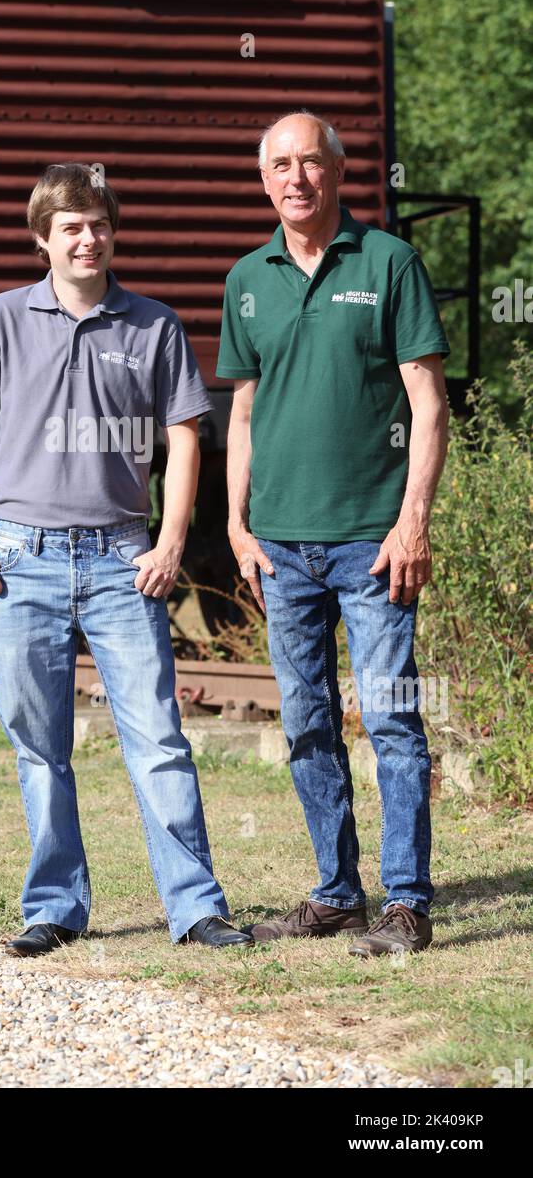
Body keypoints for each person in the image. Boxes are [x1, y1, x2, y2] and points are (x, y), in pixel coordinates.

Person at [0, 162, 253, 956]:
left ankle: (195, 909)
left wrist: (173, 540)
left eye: (99, 225)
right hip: (19, 558)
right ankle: (53, 907)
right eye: (71, 227)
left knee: (156, 739)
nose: (88, 238)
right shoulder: (0, 320)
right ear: (42, 239)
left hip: (122, 558)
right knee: (38, 745)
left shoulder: (152, 325)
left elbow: (186, 435)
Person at [217, 110, 450, 956]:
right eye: (279, 164)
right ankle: (336, 894)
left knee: (391, 720)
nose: (295, 178)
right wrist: (236, 527)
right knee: (307, 725)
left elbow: (428, 404)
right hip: (281, 552)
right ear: (264, 179)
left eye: (309, 162)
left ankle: (406, 904)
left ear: (337, 171)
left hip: (371, 543)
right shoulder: (246, 279)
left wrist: (411, 521)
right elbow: (240, 413)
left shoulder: (389, 263)